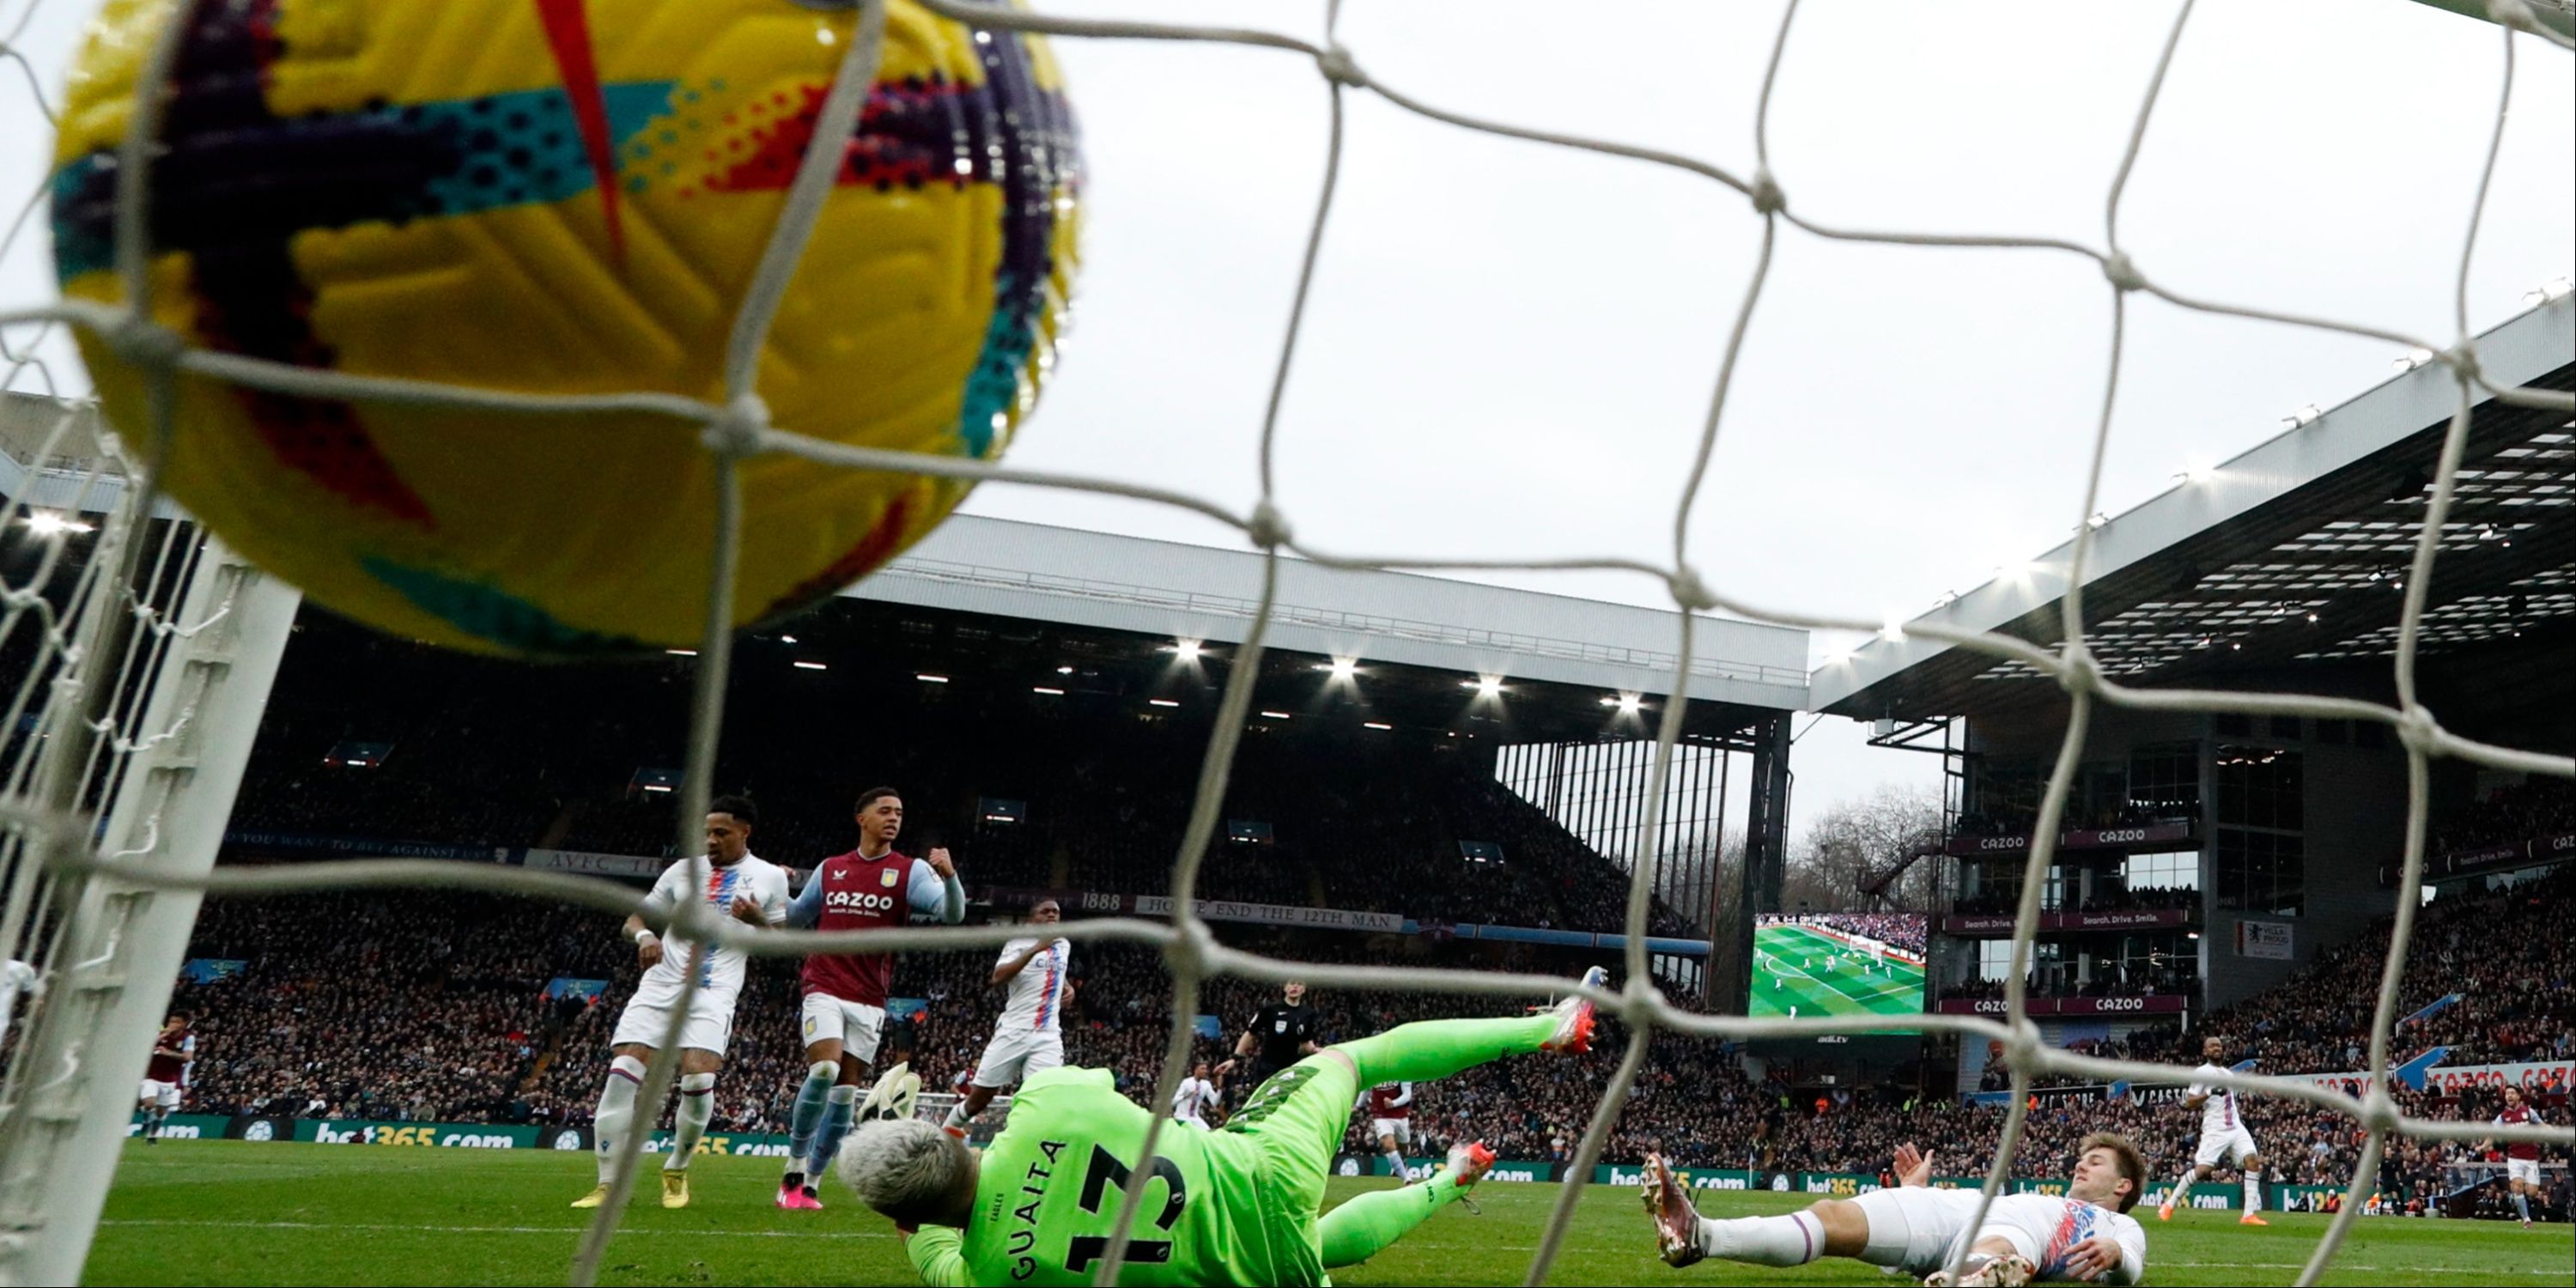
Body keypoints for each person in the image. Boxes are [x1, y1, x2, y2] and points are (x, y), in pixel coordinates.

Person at [839, 967, 1607, 1285]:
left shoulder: (986, 1275)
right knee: (1353, 1061)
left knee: (1315, 1252)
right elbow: (1092, 1090)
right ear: (953, 1139)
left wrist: (908, 1213)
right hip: (1265, 1166)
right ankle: (1544, 1028)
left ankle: (1446, 1180)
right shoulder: (1049, 1102)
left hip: (1253, 1275)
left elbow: (931, 1246)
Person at [572, 795, 788, 1211]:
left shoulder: (769, 878)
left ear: (745, 831)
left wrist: (756, 922)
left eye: (721, 832)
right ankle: (607, 1183)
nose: (710, 840)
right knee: (622, 1073)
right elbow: (635, 918)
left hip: (714, 990)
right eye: (706, 832)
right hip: (660, 985)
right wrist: (645, 936)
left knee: (696, 1079)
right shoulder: (681, 871)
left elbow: (781, 946)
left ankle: (676, 1168)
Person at [775, 786, 965, 1210]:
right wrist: (772, 889)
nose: (894, 818)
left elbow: (953, 915)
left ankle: (811, 1184)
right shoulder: (831, 868)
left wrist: (950, 877)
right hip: (823, 984)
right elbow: (792, 917)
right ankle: (793, 1166)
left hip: (870, 997)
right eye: (884, 811)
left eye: (899, 812)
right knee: (824, 1069)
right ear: (862, 818)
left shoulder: (910, 870)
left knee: (844, 1094)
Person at [1642, 1135, 2148, 1285]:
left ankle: (1972, 1277)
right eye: (2081, 1159)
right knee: (1832, 1216)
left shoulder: (2119, 1224)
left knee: (1999, 1250)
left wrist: (2114, 1253)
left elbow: (2131, 1267)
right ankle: (1701, 1236)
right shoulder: (2048, 1195)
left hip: (2026, 1236)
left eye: (2095, 1162)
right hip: (1956, 1208)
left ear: (2122, 1184)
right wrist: (1915, 1190)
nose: (2081, 1166)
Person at [941, 897, 1072, 1138]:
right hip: (1014, 1030)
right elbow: (998, 977)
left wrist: (1067, 986)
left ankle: (1023, 1151)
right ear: (1033, 919)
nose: (1053, 915)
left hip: (1048, 1035)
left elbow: (1053, 968)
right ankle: (942, 1137)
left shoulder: (1063, 944)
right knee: (978, 1101)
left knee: (1044, 1100)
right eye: (1046, 911)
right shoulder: (1020, 942)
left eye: (1056, 912)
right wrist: (1035, 949)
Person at [2160, 1036, 2265, 1224]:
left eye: (2219, 1045)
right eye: (2212, 1046)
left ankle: (2248, 1215)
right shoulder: (2202, 1072)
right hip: (2215, 1129)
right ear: (2205, 1051)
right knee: (2203, 1169)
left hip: (2235, 1126)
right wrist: (2209, 1092)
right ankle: (2169, 1204)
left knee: (2252, 1161)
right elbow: (2189, 1101)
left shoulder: (2228, 1074)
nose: (2217, 1048)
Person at [2480, 1084, 2548, 1229]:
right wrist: (2483, 1146)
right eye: (2507, 1094)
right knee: (2517, 1187)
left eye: (2512, 1093)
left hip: (2531, 1158)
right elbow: (2492, 1135)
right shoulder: (2502, 1118)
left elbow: (2543, 1125)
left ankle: (2524, 1204)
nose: (2509, 1096)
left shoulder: (2529, 1112)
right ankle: (2526, 1219)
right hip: (2515, 1158)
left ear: (2518, 1096)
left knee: (2532, 1192)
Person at [1236, 981, 1320, 1095]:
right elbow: (1251, 1033)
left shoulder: (1308, 1014)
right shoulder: (1270, 1009)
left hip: (1290, 1068)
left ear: (1303, 990)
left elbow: (1306, 1041)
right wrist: (1235, 1057)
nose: (1295, 986)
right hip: (1267, 1067)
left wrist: (1315, 1050)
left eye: (1299, 984)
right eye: (1291, 983)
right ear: (1285, 988)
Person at [137, 1012, 192, 1144]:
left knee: (161, 1113)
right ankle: (145, 1120)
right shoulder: (160, 1034)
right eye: (171, 1021)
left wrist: (168, 1053)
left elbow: (188, 1057)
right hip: (151, 1077)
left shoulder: (188, 1038)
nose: (173, 1024)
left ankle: (152, 1136)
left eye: (177, 1022)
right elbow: (143, 1046)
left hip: (169, 1081)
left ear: (183, 1024)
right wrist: (163, 1034)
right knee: (150, 1103)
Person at [1360, 1081, 1416, 1181]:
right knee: (1388, 1144)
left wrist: (1393, 1103)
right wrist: (1358, 1106)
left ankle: (1403, 1161)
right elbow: (1366, 1089)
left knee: (1403, 1147)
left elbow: (1407, 1095)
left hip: (1400, 1116)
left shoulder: (1402, 1071)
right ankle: (1406, 1179)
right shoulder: (1374, 1071)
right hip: (1380, 1115)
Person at [1172, 1060, 1229, 1129]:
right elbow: (1173, 1102)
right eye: (1202, 1069)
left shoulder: (1206, 1084)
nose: (1205, 1071)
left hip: (1195, 1118)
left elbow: (1214, 1103)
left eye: (1206, 1069)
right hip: (1182, 1117)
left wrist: (1220, 1088)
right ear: (1196, 1070)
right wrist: (1187, 1096)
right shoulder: (1186, 1082)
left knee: (1208, 1132)